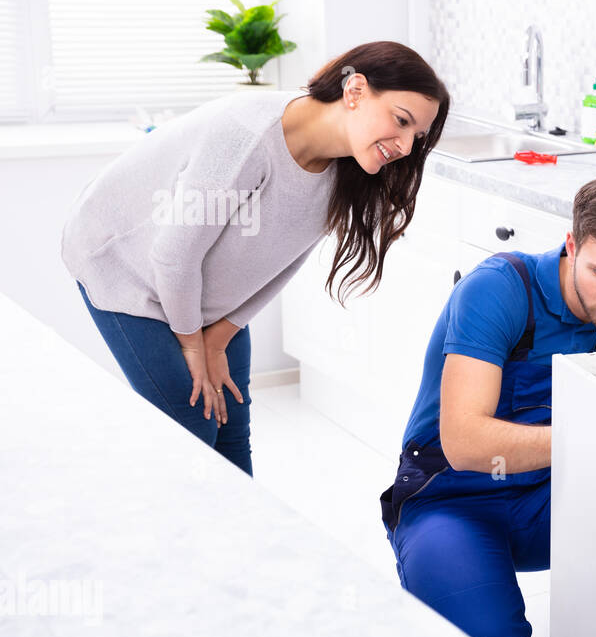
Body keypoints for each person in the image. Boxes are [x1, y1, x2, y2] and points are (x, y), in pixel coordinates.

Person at [61, 41, 449, 475]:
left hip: (194, 283)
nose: (404, 145)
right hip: (125, 266)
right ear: (355, 90)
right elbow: (173, 255)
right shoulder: (247, 136)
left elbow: (286, 260)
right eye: (401, 121)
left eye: (417, 136)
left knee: (230, 429)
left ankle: (242, 542)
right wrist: (193, 342)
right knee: (194, 429)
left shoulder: (348, 165)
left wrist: (218, 336)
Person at [381, 173, 596, 637]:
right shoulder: (498, 290)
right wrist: (595, 438)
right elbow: (464, 441)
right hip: (452, 497)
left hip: (554, 496)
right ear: (571, 245)